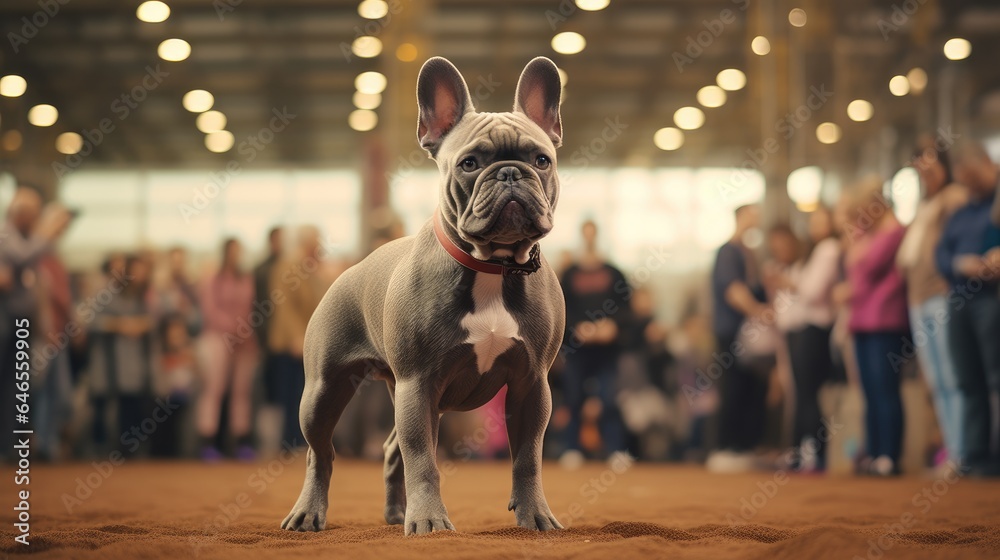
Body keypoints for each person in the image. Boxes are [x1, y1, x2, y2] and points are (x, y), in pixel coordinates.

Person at [896, 143, 969, 469]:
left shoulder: (953, 197)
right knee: (937, 380)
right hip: (917, 300)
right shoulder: (924, 205)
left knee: (953, 376)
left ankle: (965, 451)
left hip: (940, 294)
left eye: (930, 165)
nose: (924, 173)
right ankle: (954, 450)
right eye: (919, 168)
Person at [935, 141, 1000, 477]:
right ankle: (974, 455)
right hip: (960, 300)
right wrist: (961, 264)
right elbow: (941, 255)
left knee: (996, 378)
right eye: (965, 179)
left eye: (975, 176)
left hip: (992, 298)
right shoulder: (960, 214)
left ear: (990, 165)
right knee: (967, 379)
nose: (970, 184)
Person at [0, 186, 71, 461]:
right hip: (6, 323)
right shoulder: (7, 235)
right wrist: (47, 234)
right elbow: (22, 256)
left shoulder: (25, 239)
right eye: (33, 215)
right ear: (20, 214)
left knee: (17, 388)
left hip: (21, 325)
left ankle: (10, 447)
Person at [845, 178, 910, 477]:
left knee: (886, 389)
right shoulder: (867, 235)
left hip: (886, 321)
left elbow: (867, 266)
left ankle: (888, 454)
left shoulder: (894, 231)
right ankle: (872, 452)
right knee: (870, 392)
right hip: (861, 322)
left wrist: (859, 248)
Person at [558, 220, 631, 468]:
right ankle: (572, 449)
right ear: (581, 235)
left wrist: (612, 326)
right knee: (574, 397)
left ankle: (615, 449)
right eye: (585, 233)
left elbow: (626, 307)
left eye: (593, 233)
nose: (589, 238)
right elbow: (559, 308)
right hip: (577, 350)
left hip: (607, 351)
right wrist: (578, 328)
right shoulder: (569, 274)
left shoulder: (614, 272)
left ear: (597, 235)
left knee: (609, 398)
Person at [774, 208, 841, 472]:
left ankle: (814, 452)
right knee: (801, 395)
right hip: (800, 331)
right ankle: (802, 451)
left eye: (821, 221)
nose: (816, 226)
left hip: (814, 330)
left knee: (808, 394)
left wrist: (788, 284)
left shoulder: (828, 249)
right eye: (813, 222)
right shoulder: (812, 254)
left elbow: (812, 292)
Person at [707, 204, 769, 473]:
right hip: (732, 333)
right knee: (732, 389)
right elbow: (735, 291)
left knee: (749, 390)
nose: (756, 220)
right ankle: (728, 447)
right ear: (740, 217)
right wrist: (760, 312)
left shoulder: (751, 254)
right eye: (751, 215)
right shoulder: (729, 252)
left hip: (751, 338)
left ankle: (744, 446)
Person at [197, 238, 258, 461]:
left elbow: (251, 308)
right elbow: (209, 310)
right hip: (217, 339)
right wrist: (232, 328)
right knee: (214, 389)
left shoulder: (246, 279)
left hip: (244, 342)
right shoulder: (212, 279)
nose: (237, 255)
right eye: (233, 251)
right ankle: (208, 442)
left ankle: (242, 441)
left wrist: (244, 332)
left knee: (241, 392)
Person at [268, 226, 324, 448]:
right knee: (291, 396)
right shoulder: (287, 265)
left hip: (306, 343)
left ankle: (299, 441)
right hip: (289, 344)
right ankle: (289, 442)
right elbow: (284, 306)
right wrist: (296, 337)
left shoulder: (311, 269)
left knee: (303, 394)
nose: (319, 247)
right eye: (316, 242)